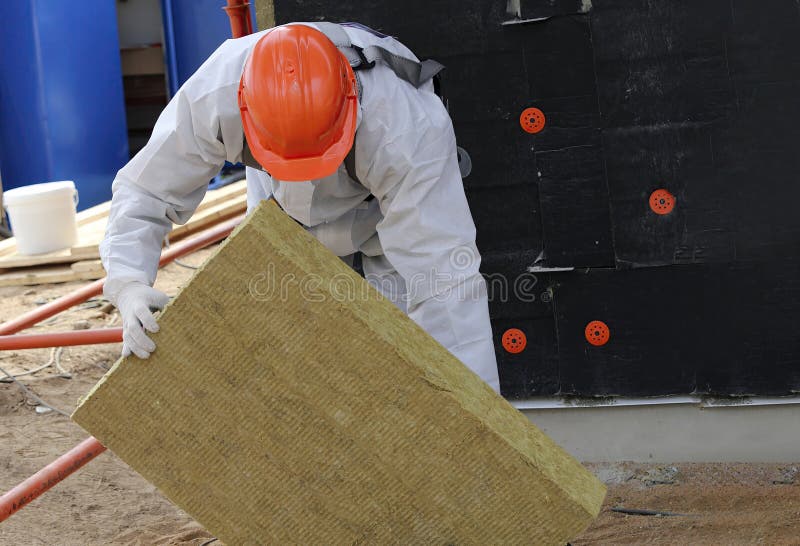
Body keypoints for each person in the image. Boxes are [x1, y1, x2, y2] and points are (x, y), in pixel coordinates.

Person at [100, 22, 500, 392]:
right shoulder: (214, 93)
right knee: (288, 344)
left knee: (392, 356)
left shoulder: (405, 128)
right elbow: (146, 190)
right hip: (281, 213)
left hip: (376, 217)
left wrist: (479, 428)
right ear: (245, 108)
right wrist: (128, 281)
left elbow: (446, 283)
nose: (304, 177)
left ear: (351, 105)